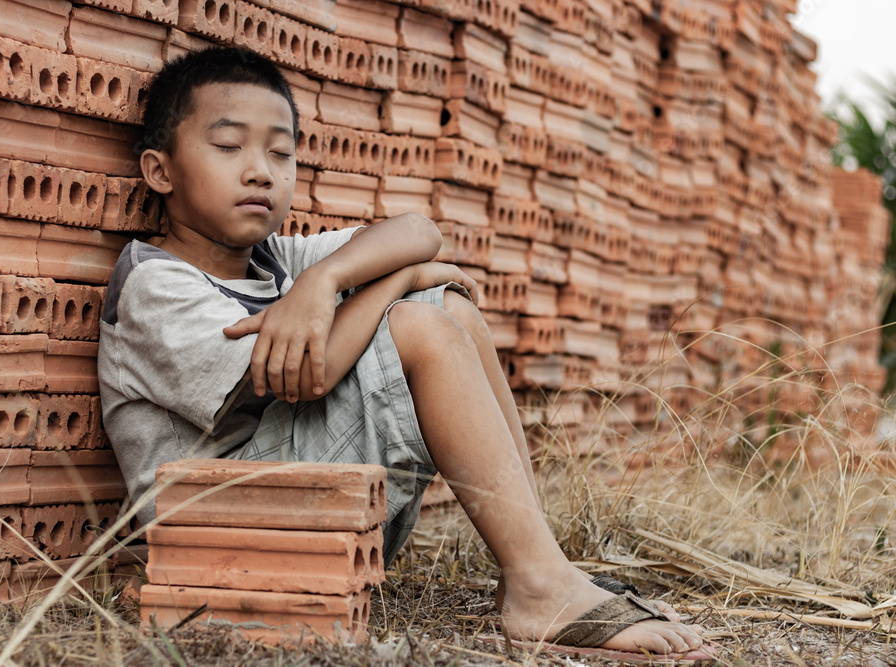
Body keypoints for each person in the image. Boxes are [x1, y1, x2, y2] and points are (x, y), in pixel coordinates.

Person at [97, 46, 711, 659]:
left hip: (321, 519)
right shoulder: (155, 284)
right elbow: (311, 377)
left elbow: (420, 231)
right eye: (229, 147)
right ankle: (540, 583)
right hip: (218, 539)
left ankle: (539, 568)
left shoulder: (277, 261)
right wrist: (393, 281)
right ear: (160, 171)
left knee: (452, 310)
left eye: (280, 153)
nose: (260, 170)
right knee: (423, 326)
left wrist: (323, 282)